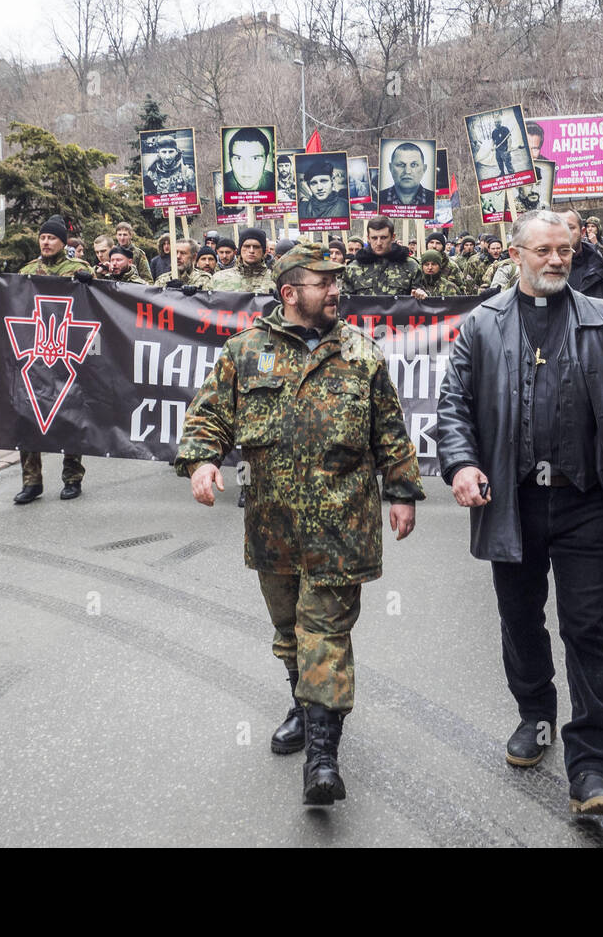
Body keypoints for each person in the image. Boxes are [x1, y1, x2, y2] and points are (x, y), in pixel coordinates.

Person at [436, 209, 603, 816]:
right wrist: (461, 464)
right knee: (520, 620)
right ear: (516, 255)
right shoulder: (482, 325)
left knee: (589, 628)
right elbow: (454, 405)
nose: (557, 259)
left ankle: (592, 764)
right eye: (543, 250)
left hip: (586, 502)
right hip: (511, 501)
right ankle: (535, 715)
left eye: (564, 249)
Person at [175, 243, 424, 806]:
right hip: (273, 524)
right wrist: (203, 461)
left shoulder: (361, 353)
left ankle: (323, 757)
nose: (336, 290)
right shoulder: (245, 352)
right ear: (289, 293)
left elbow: (389, 429)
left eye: (337, 281)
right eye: (323, 282)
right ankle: (302, 705)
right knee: (289, 633)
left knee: (325, 634)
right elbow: (210, 415)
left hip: (343, 524)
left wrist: (402, 491)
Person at [12, 216, 94, 505]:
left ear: (63, 242)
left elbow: (97, 304)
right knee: (28, 416)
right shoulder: (27, 271)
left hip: (67, 352)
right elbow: (14, 304)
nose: (46, 242)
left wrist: (90, 284)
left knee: (70, 416)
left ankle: (72, 478)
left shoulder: (79, 269)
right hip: (35, 354)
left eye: (52, 238)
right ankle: (31, 481)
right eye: (43, 237)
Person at [341, 216, 426, 297]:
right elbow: (346, 302)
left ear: (393, 237)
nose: (378, 243)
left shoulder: (410, 266)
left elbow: (423, 299)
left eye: (383, 238)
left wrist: (420, 294)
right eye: (374, 238)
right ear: (368, 238)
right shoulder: (353, 268)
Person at [210, 229, 275, 294]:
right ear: (240, 249)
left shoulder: (274, 279)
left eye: (256, 247)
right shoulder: (219, 278)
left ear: (263, 251)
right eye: (247, 246)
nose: (251, 251)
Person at [379, 142, 434, 208]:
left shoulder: (435, 200)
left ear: (424, 169)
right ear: (390, 168)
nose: (407, 171)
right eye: (401, 165)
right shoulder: (377, 199)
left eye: (413, 165)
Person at [223, 127, 274, 193]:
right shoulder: (221, 184)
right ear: (229, 160)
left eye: (255, 159)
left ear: (267, 159)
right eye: (238, 158)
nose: (246, 169)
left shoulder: (274, 182)